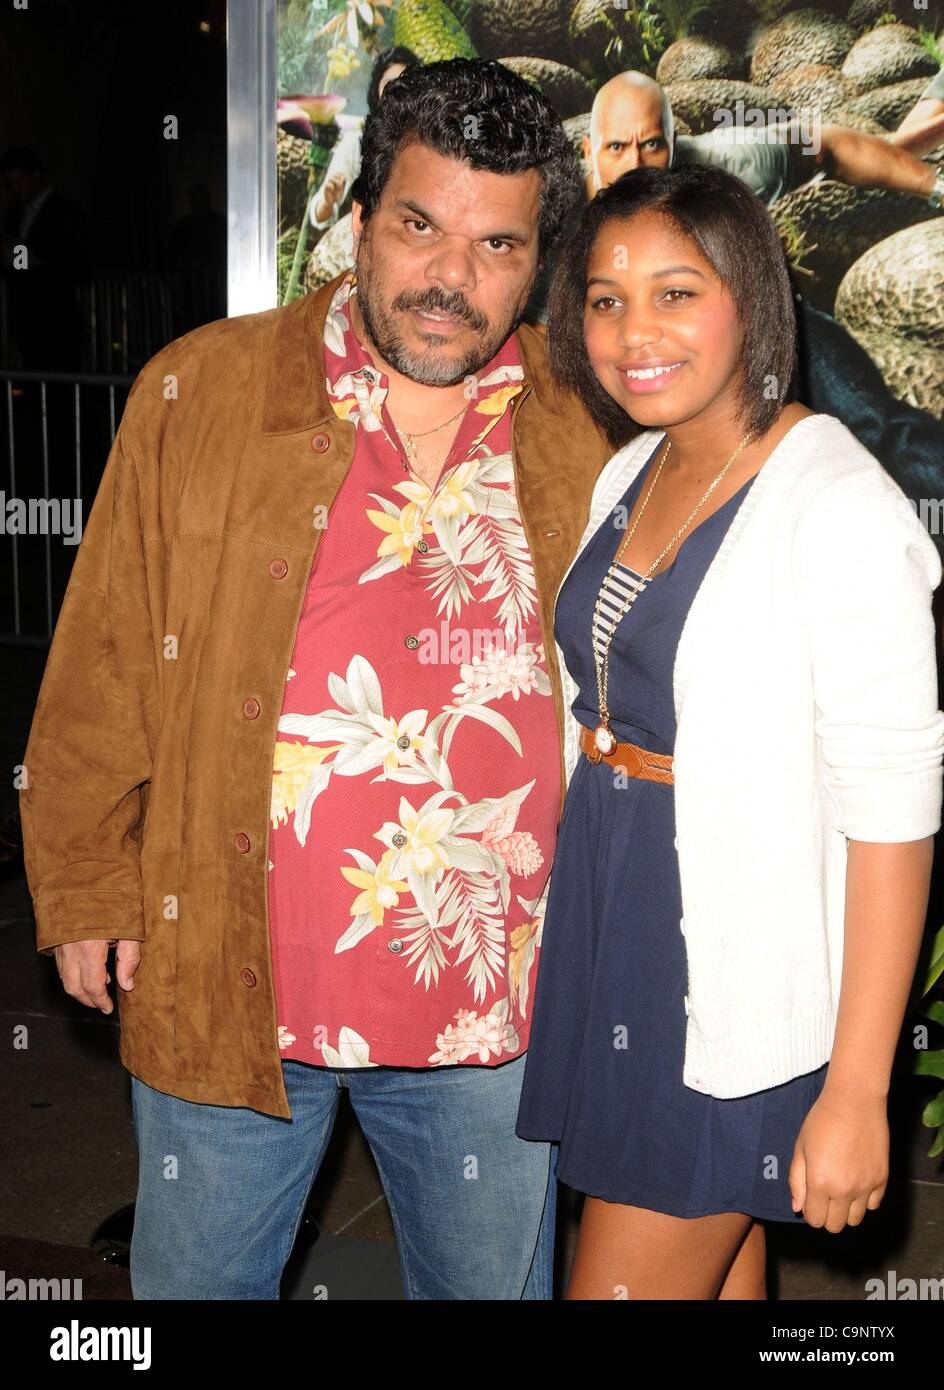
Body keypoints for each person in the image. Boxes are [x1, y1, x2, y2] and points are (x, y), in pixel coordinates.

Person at [18, 59, 613, 1300]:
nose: (449, 277)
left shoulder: (585, 419)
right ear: (355, 221)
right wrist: (81, 879)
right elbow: (102, 655)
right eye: (417, 225)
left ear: (537, 260)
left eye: (496, 244)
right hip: (233, 984)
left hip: (492, 1009)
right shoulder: (200, 390)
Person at [515, 163, 944, 1299]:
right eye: (602, 298)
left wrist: (855, 1089)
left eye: (673, 292)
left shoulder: (837, 506)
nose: (629, 331)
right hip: (624, 923)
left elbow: (891, 808)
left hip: (730, 963)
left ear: (748, 302)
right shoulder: (632, 467)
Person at [568, 72, 944, 552]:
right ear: (588, 149)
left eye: (652, 145)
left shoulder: (719, 166)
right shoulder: (557, 213)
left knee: (879, 429)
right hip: (638, 369)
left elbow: (826, 146)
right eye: (617, 147)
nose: (637, 164)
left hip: (751, 330)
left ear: (675, 143)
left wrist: (937, 187)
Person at [309, 46, 419, 233]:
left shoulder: (431, 144)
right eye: (389, 84)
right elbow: (319, 215)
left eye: (406, 83)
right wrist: (328, 201)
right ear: (377, 91)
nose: (397, 91)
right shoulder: (356, 143)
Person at [0, 144, 90, 370]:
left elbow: (78, 264)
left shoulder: (65, 212)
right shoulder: (15, 214)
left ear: (36, 176)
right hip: (25, 319)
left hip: (56, 321)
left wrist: (37, 261)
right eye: (10, 185)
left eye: (18, 182)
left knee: (60, 388)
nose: (15, 190)